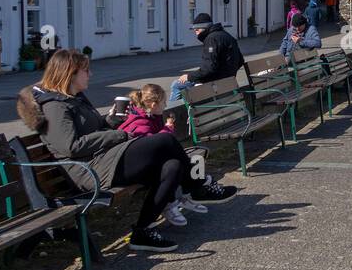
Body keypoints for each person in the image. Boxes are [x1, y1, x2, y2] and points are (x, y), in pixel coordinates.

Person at [18, 50, 235, 253]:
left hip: (104, 159)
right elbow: (70, 147)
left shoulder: (75, 99)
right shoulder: (54, 106)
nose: (90, 74)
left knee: (172, 166)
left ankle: (143, 231)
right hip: (88, 171)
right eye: (85, 70)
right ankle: (197, 185)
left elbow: (93, 131)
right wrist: (118, 135)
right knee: (164, 141)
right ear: (70, 74)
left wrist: (111, 121)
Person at [115, 83, 207, 227]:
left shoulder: (152, 116)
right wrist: (167, 130)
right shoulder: (140, 123)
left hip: (144, 163)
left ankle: (186, 194)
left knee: (181, 160)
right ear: (153, 104)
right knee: (175, 162)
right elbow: (153, 147)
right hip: (131, 166)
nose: (165, 106)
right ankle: (183, 195)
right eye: (163, 103)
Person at [171, 13, 245, 104]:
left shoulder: (211, 39)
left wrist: (189, 76)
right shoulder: (227, 35)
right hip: (229, 81)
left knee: (176, 85)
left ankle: (173, 114)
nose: (195, 32)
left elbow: (209, 69)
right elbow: (241, 61)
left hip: (214, 82)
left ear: (203, 28)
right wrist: (227, 73)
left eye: (196, 29)